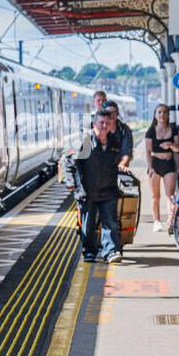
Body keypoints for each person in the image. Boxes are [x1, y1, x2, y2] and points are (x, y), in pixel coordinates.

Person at [68, 108, 132, 263]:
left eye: (107, 123)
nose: (104, 126)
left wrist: (121, 167)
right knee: (88, 226)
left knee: (110, 222)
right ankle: (89, 251)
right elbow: (69, 162)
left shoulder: (114, 141)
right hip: (87, 190)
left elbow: (115, 162)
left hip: (108, 189)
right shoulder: (85, 141)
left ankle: (111, 252)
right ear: (94, 123)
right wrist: (71, 183)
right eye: (101, 122)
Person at [144, 103, 179, 232]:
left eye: (165, 112)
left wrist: (171, 145)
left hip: (168, 163)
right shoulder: (151, 131)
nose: (162, 115)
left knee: (170, 195)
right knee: (156, 196)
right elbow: (148, 152)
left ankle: (171, 219)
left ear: (168, 115)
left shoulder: (174, 129)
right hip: (155, 164)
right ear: (155, 115)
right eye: (160, 112)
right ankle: (156, 221)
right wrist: (150, 167)